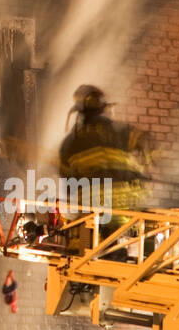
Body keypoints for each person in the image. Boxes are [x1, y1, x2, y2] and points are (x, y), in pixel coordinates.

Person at [58, 85, 152, 255]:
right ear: (103, 109)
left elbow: (68, 181)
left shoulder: (70, 142)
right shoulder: (121, 131)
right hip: (125, 206)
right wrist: (144, 167)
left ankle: (98, 255)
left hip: (93, 210)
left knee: (90, 245)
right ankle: (117, 252)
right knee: (117, 243)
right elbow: (145, 140)